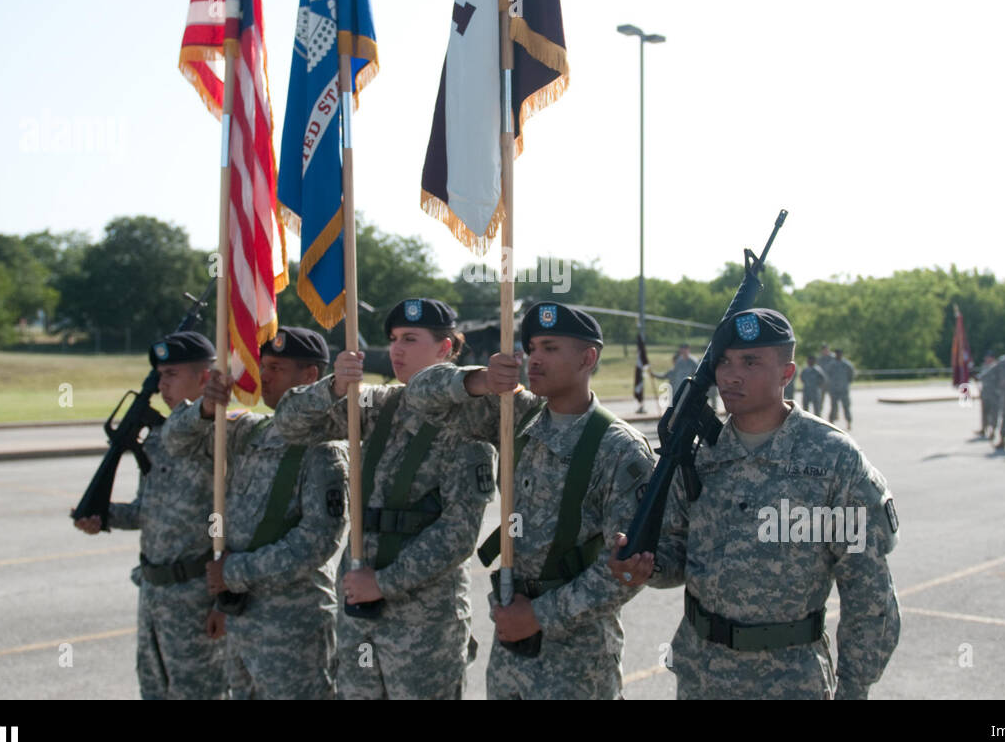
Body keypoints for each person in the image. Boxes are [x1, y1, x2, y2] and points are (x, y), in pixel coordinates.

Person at [608, 308, 899, 699]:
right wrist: (645, 564)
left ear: (787, 373)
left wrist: (854, 686)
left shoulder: (832, 459)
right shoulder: (698, 452)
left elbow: (867, 589)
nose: (731, 374)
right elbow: (678, 550)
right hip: (701, 674)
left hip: (790, 680)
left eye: (750, 361)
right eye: (724, 361)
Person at [403, 301, 655, 699]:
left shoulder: (621, 449)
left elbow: (628, 569)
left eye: (550, 348)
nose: (534, 359)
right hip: (510, 643)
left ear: (588, 358)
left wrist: (538, 616)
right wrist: (479, 381)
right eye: (532, 348)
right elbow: (418, 395)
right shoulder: (515, 416)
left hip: (576, 658)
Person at [271, 299, 496, 699]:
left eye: (410, 339)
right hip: (360, 609)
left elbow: (457, 535)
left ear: (445, 348)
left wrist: (383, 583)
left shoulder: (467, 420)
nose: (396, 349)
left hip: (422, 622)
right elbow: (289, 423)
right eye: (393, 339)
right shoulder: (376, 405)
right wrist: (336, 386)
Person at [164, 326, 349, 699]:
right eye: (263, 365)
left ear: (310, 376)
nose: (263, 375)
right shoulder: (251, 430)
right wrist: (205, 409)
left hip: (291, 624)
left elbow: (316, 543)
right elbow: (175, 442)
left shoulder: (323, 446)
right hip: (241, 616)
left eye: (277, 368)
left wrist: (234, 572)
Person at [73, 331, 226, 700]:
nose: (161, 386)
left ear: (204, 378)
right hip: (153, 593)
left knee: (198, 693)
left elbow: (240, 522)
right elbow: (148, 510)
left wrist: (225, 602)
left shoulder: (223, 436)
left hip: (196, 597)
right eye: (159, 376)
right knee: (154, 689)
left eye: (171, 375)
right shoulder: (157, 437)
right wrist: (103, 515)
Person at [828, 348, 856, 429]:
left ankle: (849, 422)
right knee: (833, 407)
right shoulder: (831, 364)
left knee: (846, 406)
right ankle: (831, 422)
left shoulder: (846, 364)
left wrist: (847, 383)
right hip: (834, 390)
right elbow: (828, 374)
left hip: (844, 389)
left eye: (839, 353)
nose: (838, 355)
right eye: (837, 353)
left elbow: (851, 374)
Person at [977, 352, 1000, 439]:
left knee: (994, 414)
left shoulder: (996, 367)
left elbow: (984, 376)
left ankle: (993, 431)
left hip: (994, 394)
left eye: (988, 357)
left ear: (992, 358)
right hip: (985, 393)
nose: (986, 359)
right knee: (984, 413)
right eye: (986, 357)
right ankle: (984, 428)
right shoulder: (984, 366)